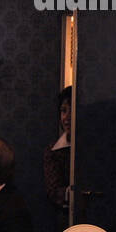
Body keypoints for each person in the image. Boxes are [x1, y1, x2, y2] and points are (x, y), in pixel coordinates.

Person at [42, 86, 72, 218]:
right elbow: (53, 190)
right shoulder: (54, 150)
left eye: (72, 111)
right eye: (63, 111)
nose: (67, 117)